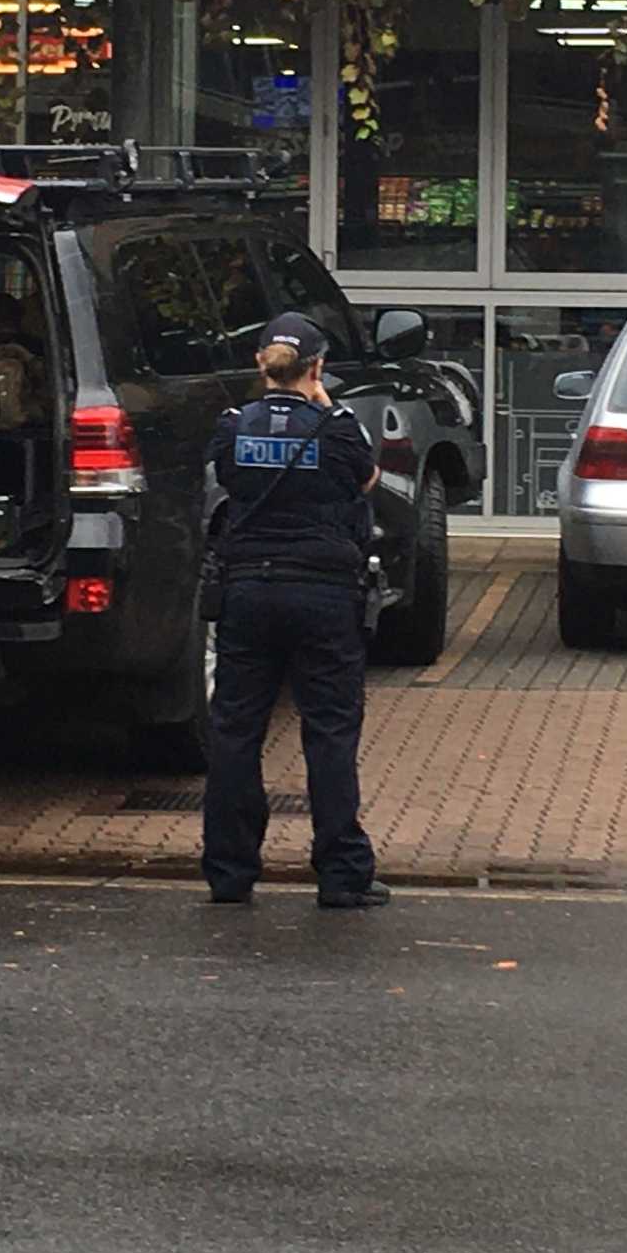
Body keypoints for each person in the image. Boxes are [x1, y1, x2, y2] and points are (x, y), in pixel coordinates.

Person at [201, 312, 388, 910]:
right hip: (324, 597)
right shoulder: (337, 429)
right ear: (318, 367)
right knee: (329, 732)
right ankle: (342, 875)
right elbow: (367, 480)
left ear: (260, 363)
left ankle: (229, 872)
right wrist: (322, 400)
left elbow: (227, 479)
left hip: (247, 592)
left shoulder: (232, 427)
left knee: (235, 731)